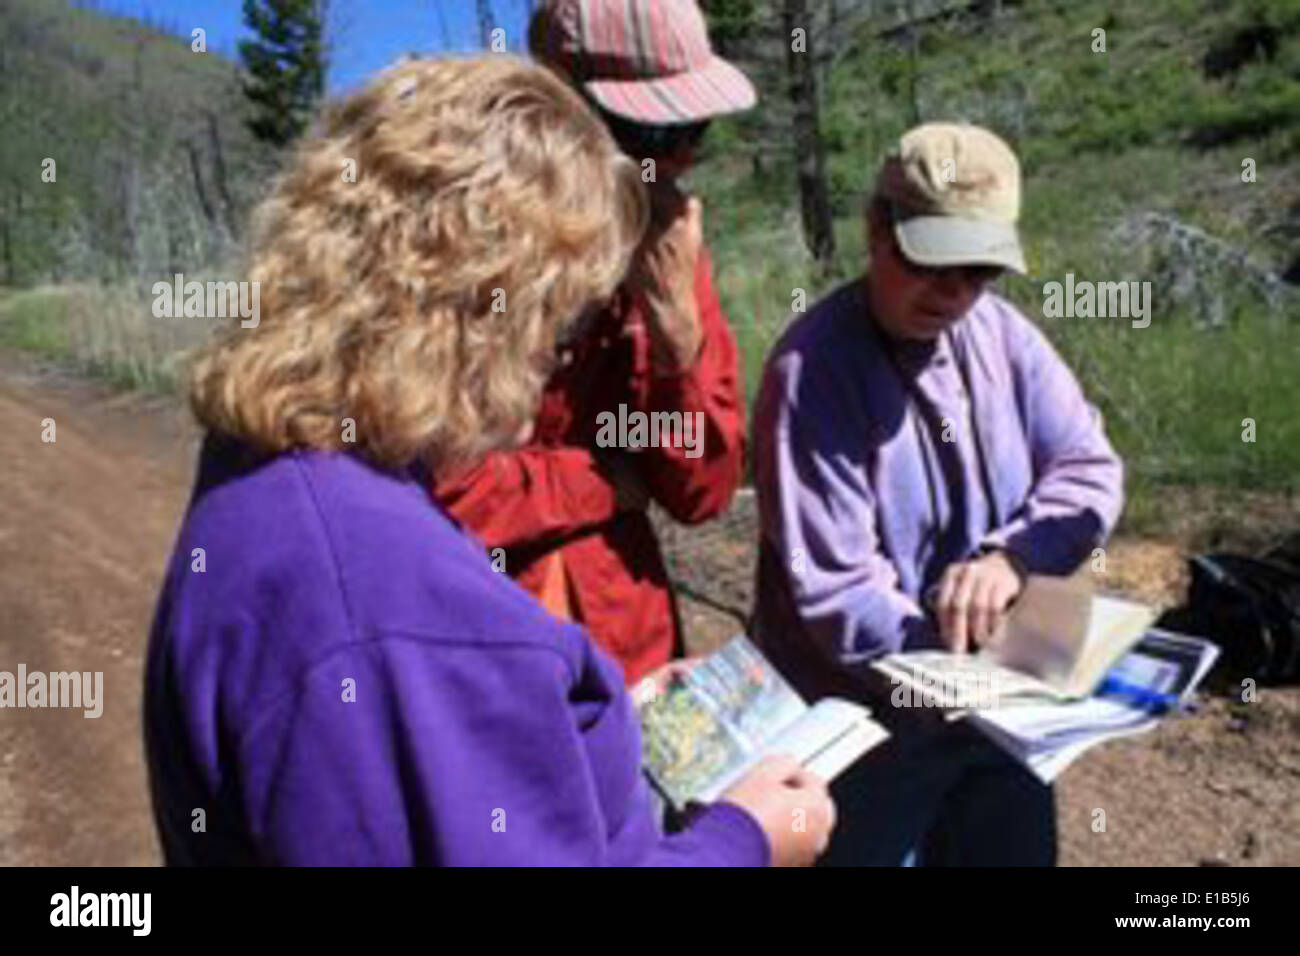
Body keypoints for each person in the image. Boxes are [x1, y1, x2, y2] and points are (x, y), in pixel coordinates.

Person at [143, 56, 833, 866]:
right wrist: (745, 843)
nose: (548, 354)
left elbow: (699, 484)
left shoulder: (266, 464)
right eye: (555, 319)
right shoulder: (391, 613)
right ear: (479, 305)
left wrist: (584, 709)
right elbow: (433, 630)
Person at [751, 122, 1125, 866]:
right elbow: (842, 597)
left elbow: (1089, 466)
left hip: (1001, 712)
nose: (954, 293)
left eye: (980, 269)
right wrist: (969, 675)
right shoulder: (813, 371)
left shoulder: (1002, 335)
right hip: (868, 722)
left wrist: (1013, 557)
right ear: (875, 232)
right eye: (932, 263)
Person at [433, 0, 755, 686]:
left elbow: (702, 493)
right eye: (653, 131)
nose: (682, 155)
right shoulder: (459, 249)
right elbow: (436, 494)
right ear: (555, 110)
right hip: (485, 648)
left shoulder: (669, 247)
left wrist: (678, 346)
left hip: (629, 641)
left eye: (695, 128)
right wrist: (600, 482)